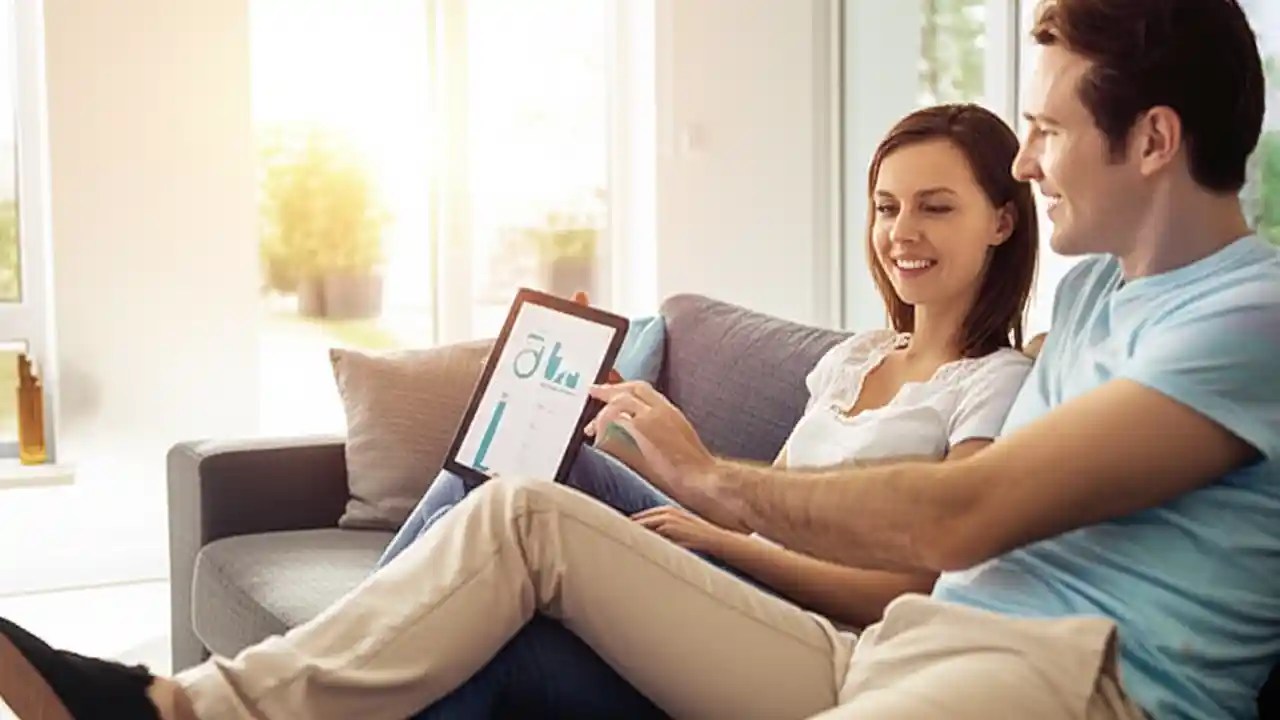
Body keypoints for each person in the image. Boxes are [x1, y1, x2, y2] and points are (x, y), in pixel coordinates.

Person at [2, 0, 1278, 717]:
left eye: (1043, 131)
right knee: (516, 516)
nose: (1022, 156)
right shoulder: (1101, 293)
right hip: (906, 641)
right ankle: (167, 717)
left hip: (1074, 689)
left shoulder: (1250, 316)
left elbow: (967, 507)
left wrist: (711, 492)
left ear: (1153, 138)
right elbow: (949, 557)